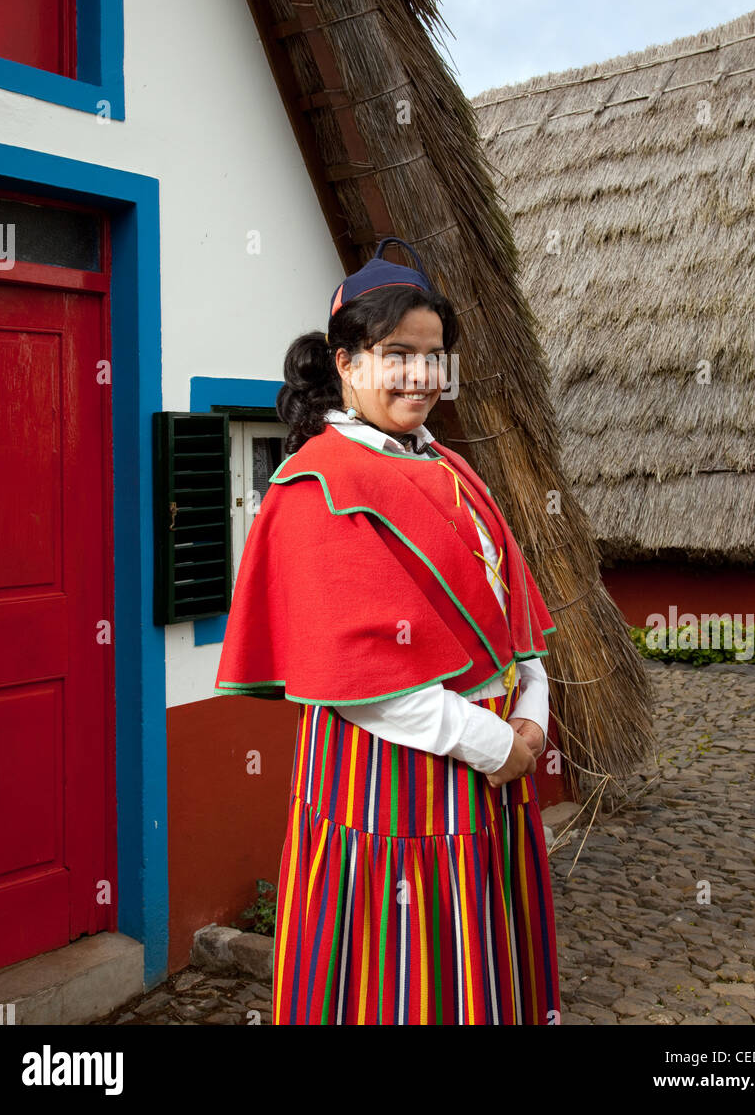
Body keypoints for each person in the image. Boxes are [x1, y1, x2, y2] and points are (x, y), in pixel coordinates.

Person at [215, 236, 562, 1025]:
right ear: (345, 362)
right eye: (396, 353)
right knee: (394, 987)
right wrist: (497, 743)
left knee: (481, 978)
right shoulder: (316, 486)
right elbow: (363, 685)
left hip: (487, 787)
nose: (421, 375)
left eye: (434, 356)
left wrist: (533, 709)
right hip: (389, 794)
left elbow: (517, 619)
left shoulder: (449, 468)